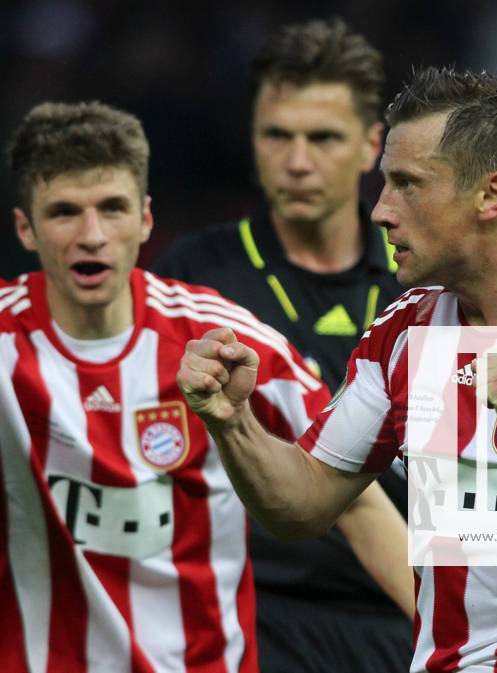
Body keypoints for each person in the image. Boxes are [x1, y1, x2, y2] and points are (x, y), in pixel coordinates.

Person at [178, 68, 497, 673]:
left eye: (408, 184)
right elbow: (302, 503)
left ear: (492, 195)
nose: (379, 211)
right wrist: (232, 422)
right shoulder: (404, 335)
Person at [0, 100, 408, 672]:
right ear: (25, 228)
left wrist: (454, 640)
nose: (91, 235)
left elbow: (356, 499)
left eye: (112, 209)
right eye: (64, 213)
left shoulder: (220, 337)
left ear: (146, 219)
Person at [151, 18, 412, 673]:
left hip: (408, 615)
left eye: (322, 137)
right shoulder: (194, 275)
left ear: (370, 146)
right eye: (277, 135)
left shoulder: (429, 276)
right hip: (249, 617)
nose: (297, 161)